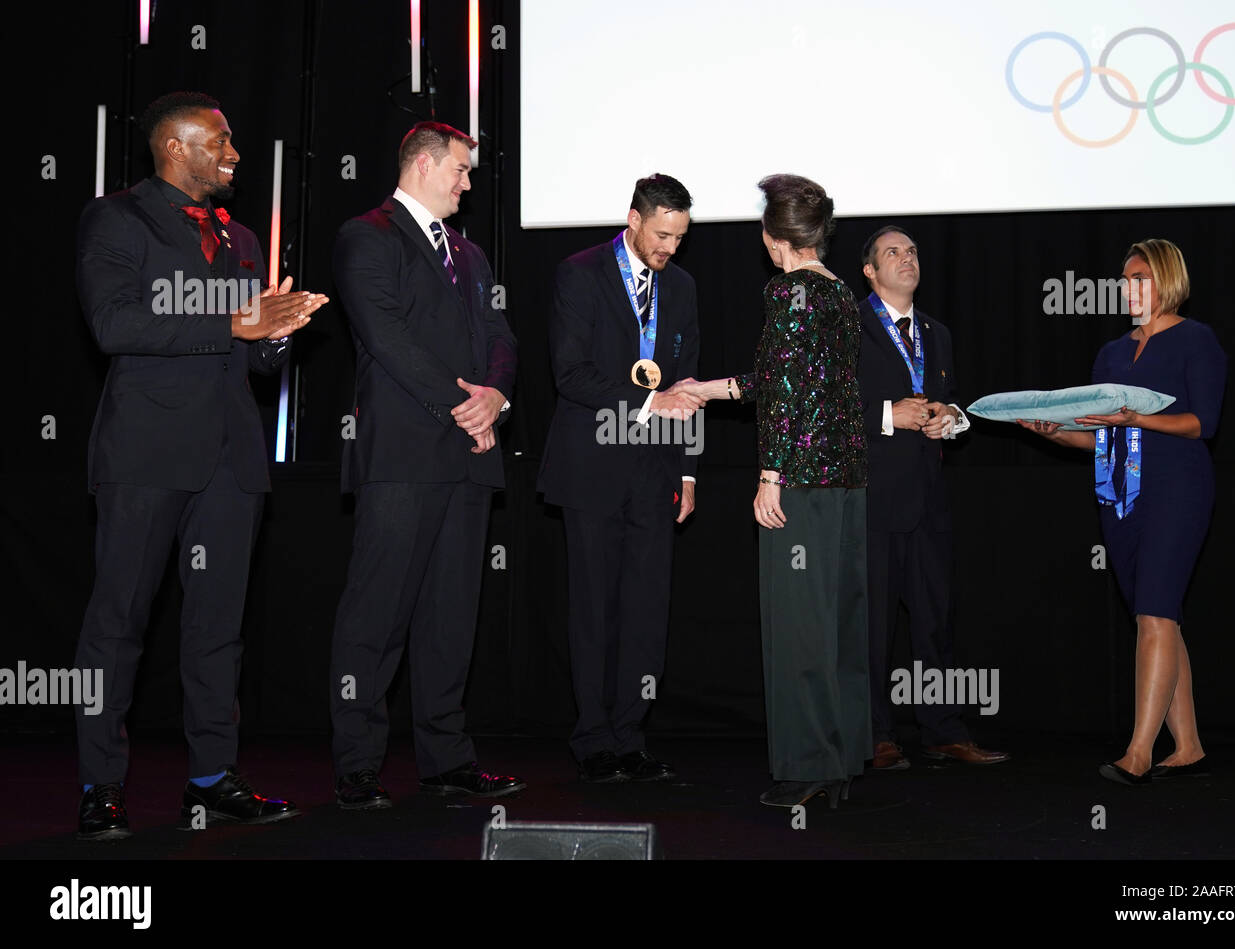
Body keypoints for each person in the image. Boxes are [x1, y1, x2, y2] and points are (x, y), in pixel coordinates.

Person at [73, 91, 324, 840]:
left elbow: (245, 358)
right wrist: (232, 322)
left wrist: (275, 335)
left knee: (218, 628)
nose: (235, 156)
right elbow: (114, 324)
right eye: (221, 142)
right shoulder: (115, 218)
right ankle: (99, 784)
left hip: (231, 459)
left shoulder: (240, 235)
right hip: (146, 455)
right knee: (118, 624)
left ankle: (213, 778)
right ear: (176, 147)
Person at [329, 121, 521, 808]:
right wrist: (462, 406)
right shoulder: (367, 236)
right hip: (405, 456)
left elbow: (501, 337)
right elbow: (387, 337)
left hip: (470, 457)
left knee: (450, 616)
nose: (468, 183)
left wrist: (495, 398)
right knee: (376, 614)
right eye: (461, 170)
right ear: (422, 162)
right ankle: (357, 763)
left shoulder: (469, 254)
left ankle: (446, 758)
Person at [687, 174, 870, 807]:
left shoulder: (787, 290)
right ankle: (843, 757)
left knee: (799, 627)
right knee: (840, 622)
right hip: (846, 481)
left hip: (803, 482)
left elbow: (788, 392)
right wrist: (708, 389)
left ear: (774, 240)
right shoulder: (841, 292)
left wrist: (771, 476)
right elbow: (781, 378)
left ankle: (808, 766)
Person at [1019, 239, 1226, 784]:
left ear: (1167, 280)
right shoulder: (1111, 353)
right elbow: (1099, 439)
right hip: (1118, 495)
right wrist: (1055, 431)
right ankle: (1190, 747)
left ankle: (1138, 752)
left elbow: (1201, 423)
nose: (1127, 288)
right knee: (1159, 616)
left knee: (1155, 612)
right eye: (1124, 279)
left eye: (1139, 277)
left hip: (1177, 488)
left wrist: (1137, 418)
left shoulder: (1196, 340)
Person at [538, 174, 702, 783]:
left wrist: (687, 470)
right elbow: (570, 374)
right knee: (593, 607)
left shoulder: (682, 286)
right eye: (662, 234)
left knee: (646, 610)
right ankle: (593, 738)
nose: (669, 248)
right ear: (632, 219)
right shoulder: (578, 273)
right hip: (590, 469)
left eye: (680, 238)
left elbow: (686, 384)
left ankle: (632, 735)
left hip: (657, 472)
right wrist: (646, 406)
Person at [856, 227, 1008, 770]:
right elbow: (820, 414)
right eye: (892, 253)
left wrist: (952, 418)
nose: (907, 259)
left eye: (913, 251)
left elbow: (952, 403)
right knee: (871, 627)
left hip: (929, 502)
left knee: (934, 623)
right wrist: (886, 416)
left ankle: (943, 729)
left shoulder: (936, 333)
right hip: (870, 503)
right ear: (870, 272)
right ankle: (872, 734)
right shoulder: (847, 328)